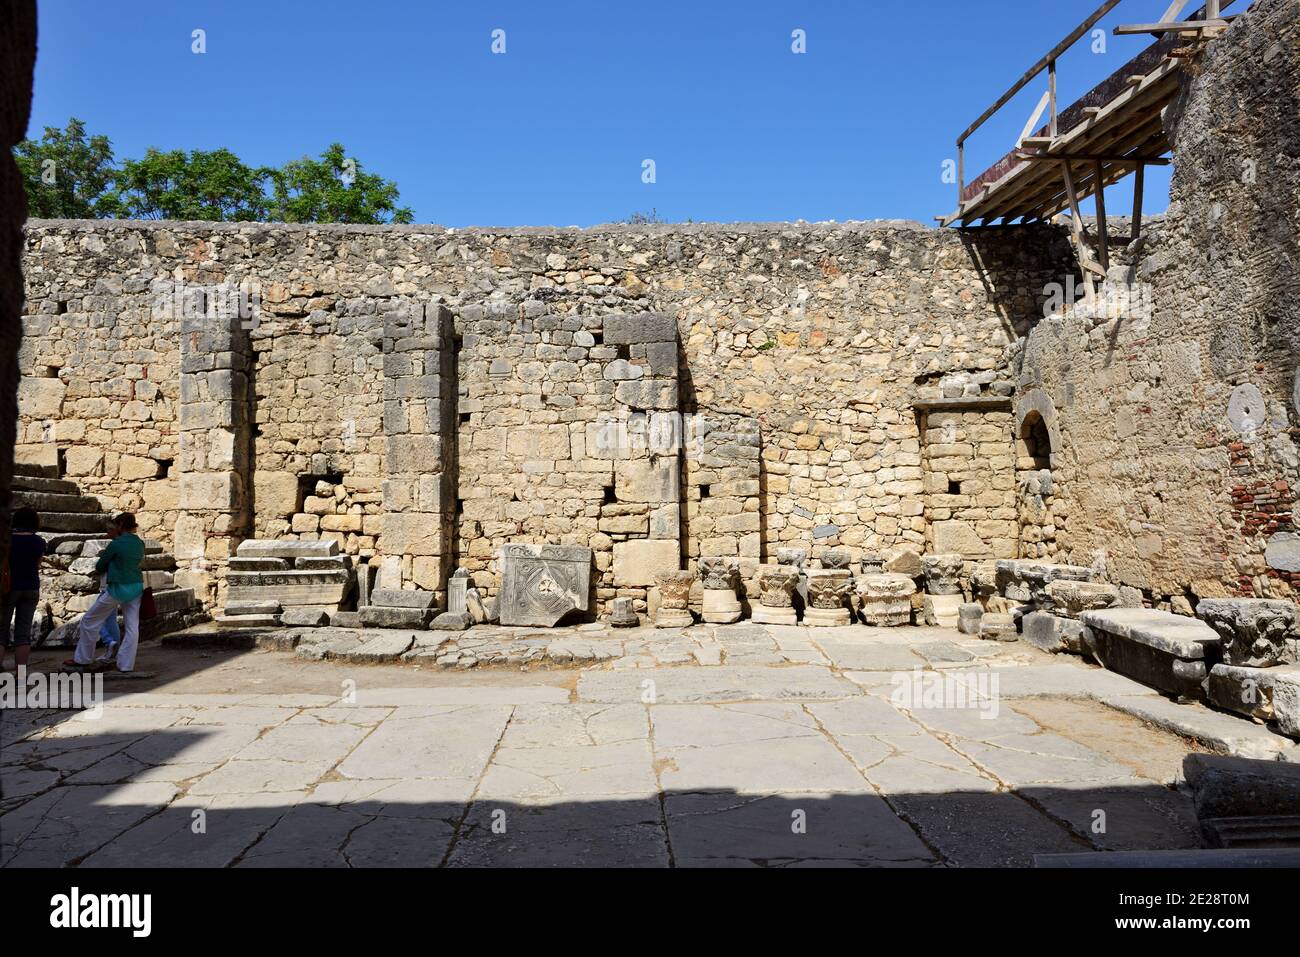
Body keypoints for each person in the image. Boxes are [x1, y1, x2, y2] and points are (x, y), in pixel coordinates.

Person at [68, 513, 145, 674]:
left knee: (89, 620)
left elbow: (100, 566)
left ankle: (83, 658)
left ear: (120, 525)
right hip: (136, 586)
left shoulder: (116, 544)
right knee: (132, 627)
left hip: (118, 587)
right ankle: (126, 665)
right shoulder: (139, 543)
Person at [1, 507, 46, 672]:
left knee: (1, 630)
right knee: (23, 633)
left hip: (9, 588)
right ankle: (21, 674)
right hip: (31, 587)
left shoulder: (8, 541)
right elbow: (37, 565)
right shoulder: (39, 542)